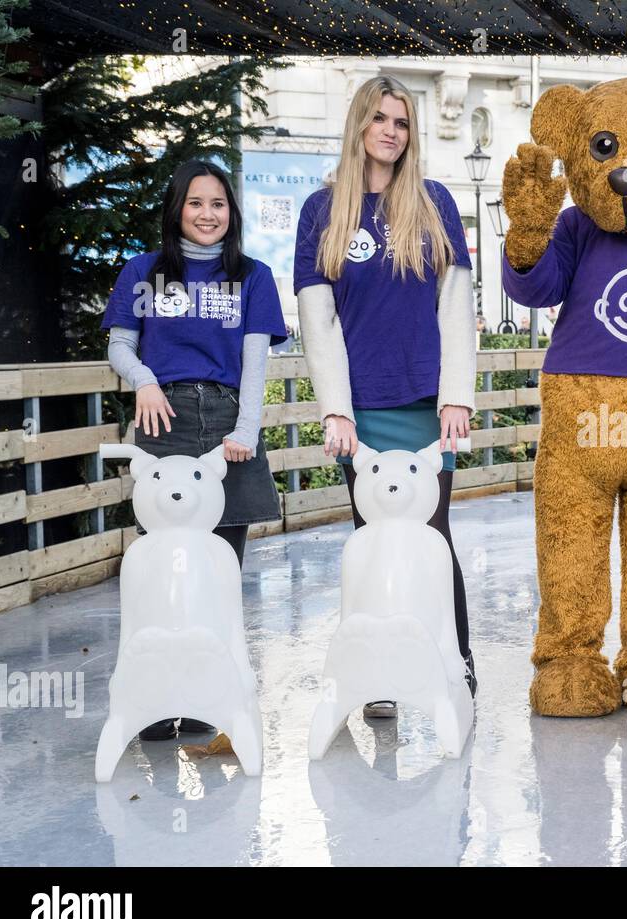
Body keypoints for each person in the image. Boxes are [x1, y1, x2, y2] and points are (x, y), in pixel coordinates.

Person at [294, 74, 477, 712]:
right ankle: (378, 680)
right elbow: (319, 322)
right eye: (380, 119)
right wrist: (336, 412)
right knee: (372, 540)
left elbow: (456, 307)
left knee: (434, 537)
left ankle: (456, 661)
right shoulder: (322, 212)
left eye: (401, 122)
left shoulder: (434, 202)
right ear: (359, 125)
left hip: (427, 405)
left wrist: (457, 396)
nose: (391, 131)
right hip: (363, 410)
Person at [102, 158, 288, 741]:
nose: (208, 215)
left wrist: (247, 431)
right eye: (196, 203)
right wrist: (147, 381)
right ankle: (156, 702)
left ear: (231, 213)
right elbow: (119, 348)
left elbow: (256, 361)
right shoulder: (143, 271)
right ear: (176, 209)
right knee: (165, 571)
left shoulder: (253, 276)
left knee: (219, 572)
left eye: (218, 204)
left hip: (229, 421)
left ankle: (209, 694)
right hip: (167, 421)